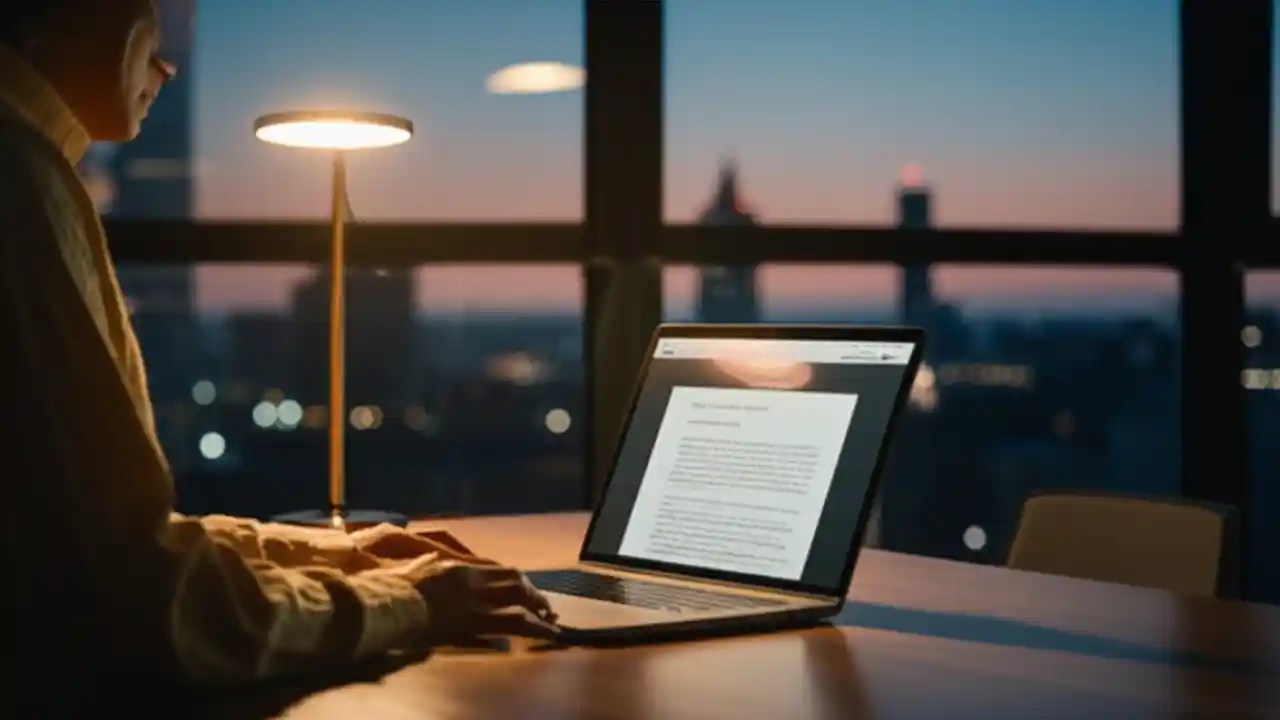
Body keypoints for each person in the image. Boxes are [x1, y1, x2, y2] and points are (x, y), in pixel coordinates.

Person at [0, 0, 556, 701]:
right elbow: (144, 602)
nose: (171, 62)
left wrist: (334, 552)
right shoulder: (17, 185)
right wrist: (407, 601)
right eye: (160, 15)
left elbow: (99, 542)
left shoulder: (33, 164)